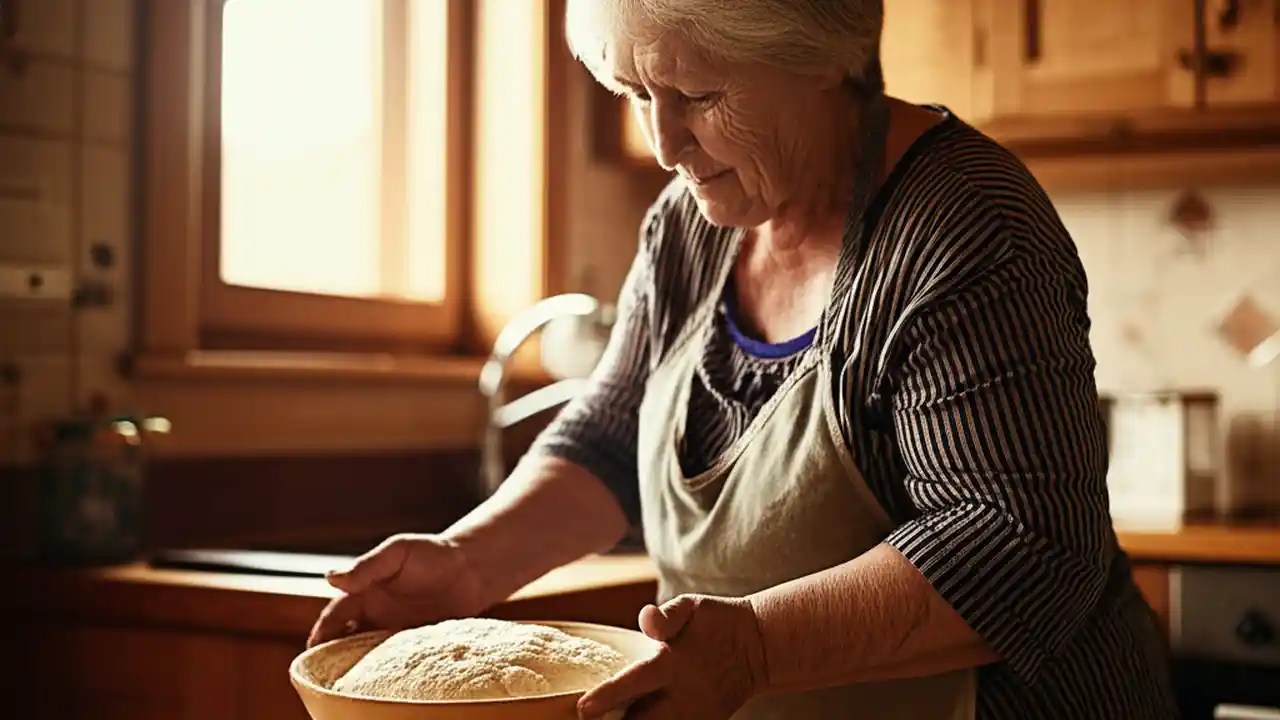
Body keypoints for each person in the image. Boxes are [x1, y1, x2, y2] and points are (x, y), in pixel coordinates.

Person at [309, 1, 1179, 717]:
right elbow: (609, 444)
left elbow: (1018, 543)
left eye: (696, 92)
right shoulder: (688, 226)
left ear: (824, 57)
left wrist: (753, 648)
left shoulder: (966, 225)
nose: (663, 143)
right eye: (633, 91)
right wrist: (468, 564)